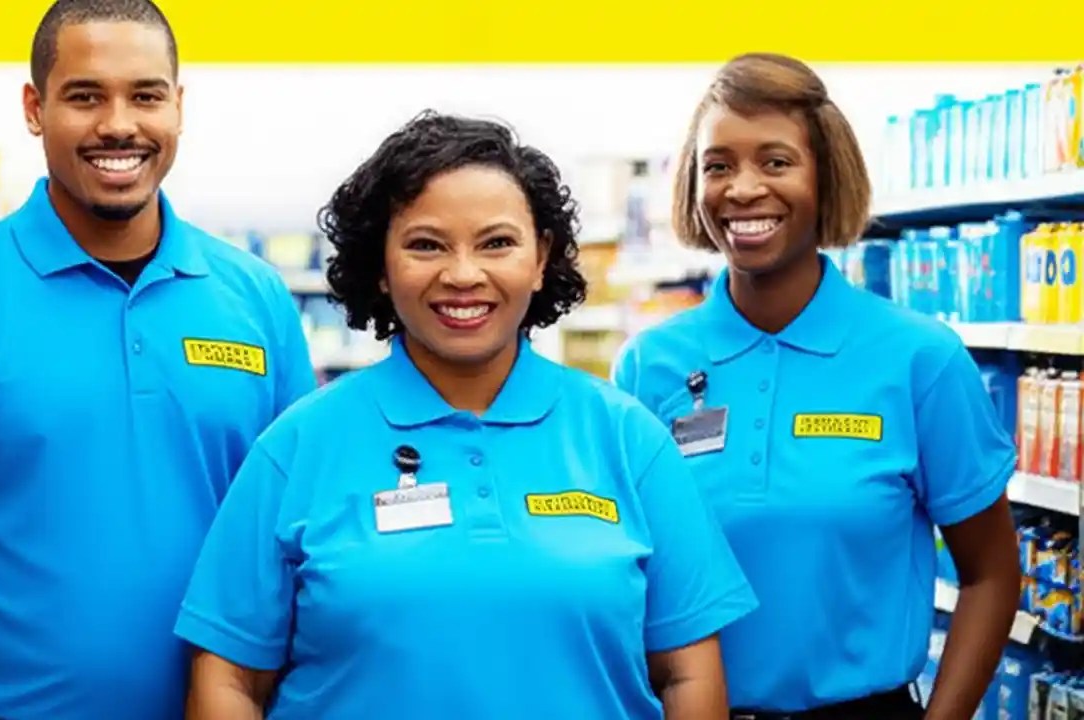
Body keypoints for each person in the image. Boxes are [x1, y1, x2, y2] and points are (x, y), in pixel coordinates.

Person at [173, 110, 759, 720]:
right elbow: (229, 679)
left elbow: (686, 671)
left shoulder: (626, 438)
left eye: (496, 243)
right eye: (426, 245)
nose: (462, 274)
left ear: (541, 259)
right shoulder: (298, 445)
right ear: (381, 263)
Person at [0, 2, 317, 719]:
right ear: (35, 107)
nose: (119, 123)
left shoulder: (257, 302)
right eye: (85, 95)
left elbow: (294, 535)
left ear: (179, 107)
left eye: (146, 96)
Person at [612, 53, 1021, 720]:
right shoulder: (647, 366)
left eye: (776, 162)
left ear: (826, 176)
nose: (742, 189)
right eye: (718, 165)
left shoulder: (919, 359)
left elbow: (990, 574)